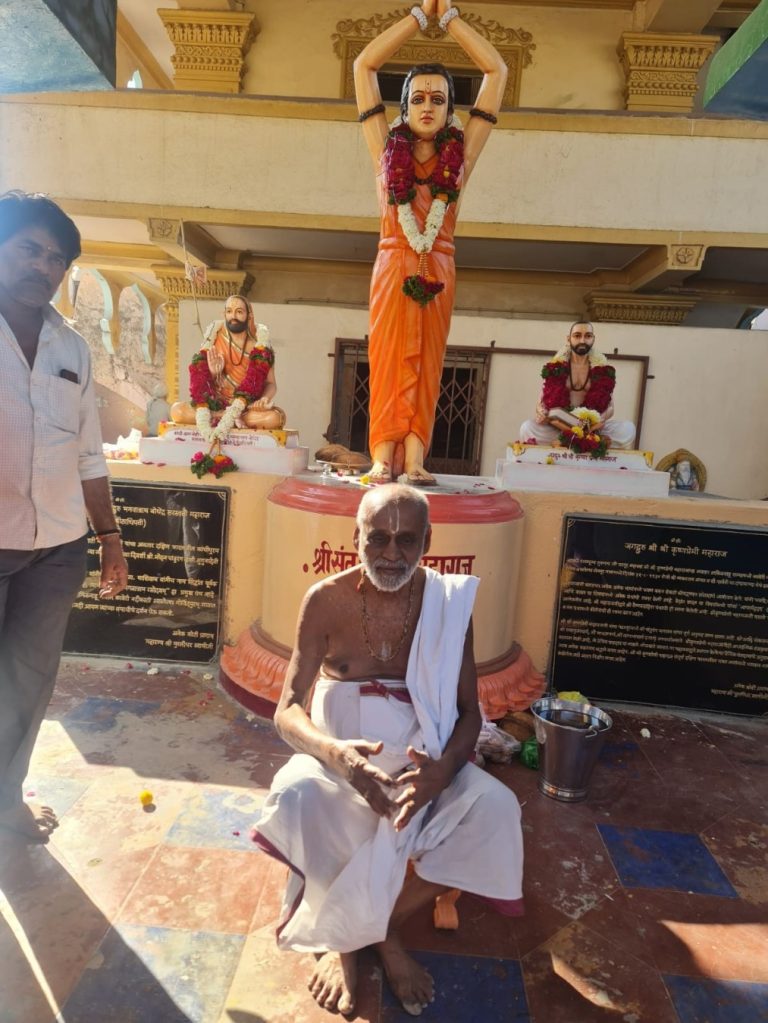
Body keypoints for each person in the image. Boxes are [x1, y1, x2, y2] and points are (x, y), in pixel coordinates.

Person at [252, 483, 524, 1017]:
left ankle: (372, 930)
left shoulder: (447, 604)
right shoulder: (325, 601)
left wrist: (443, 774)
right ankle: (355, 942)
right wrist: (339, 759)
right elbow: (285, 710)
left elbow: (471, 712)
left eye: (406, 539)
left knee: (496, 810)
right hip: (342, 759)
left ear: (429, 539)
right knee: (296, 796)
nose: (392, 554)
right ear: (356, 537)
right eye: (377, 539)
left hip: (424, 763)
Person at [0, 190, 129, 842]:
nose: (43, 267)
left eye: (56, 259)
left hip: (55, 547)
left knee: (27, 683)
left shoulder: (72, 348)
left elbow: (88, 452)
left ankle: (6, 803)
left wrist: (109, 538)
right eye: (29, 249)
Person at [354, 0, 507, 486]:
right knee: (387, 358)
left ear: (450, 110)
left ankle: (416, 457)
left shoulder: (460, 160)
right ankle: (382, 456)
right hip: (393, 259)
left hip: (438, 264)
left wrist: (453, 18)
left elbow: (496, 70)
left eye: (438, 99)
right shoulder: (385, 150)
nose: (427, 107)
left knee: (428, 362)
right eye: (417, 98)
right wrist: (419, 17)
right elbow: (364, 65)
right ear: (403, 107)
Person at [170, 294, 285, 436]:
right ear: (224, 314)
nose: (233, 316)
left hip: (245, 409)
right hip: (215, 405)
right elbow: (202, 384)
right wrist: (212, 373)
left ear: (249, 316)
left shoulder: (261, 346)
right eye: (229, 311)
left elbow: (271, 383)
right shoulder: (214, 339)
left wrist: (264, 399)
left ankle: (228, 417)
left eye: (239, 311)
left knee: (273, 418)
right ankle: (224, 416)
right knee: (177, 411)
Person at [519, 321, 636, 449]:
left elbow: (610, 407)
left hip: (592, 427)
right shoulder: (555, 367)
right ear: (569, 339)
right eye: (577, 335)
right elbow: (541, 402)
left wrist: (593, 424)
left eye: (588, 336)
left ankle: (575, 441)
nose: (582, 340)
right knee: (527, 427)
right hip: (559, 426)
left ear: (593, 339)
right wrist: (541, 412)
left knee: (627, 429)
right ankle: (583, 442)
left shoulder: (602, 369)